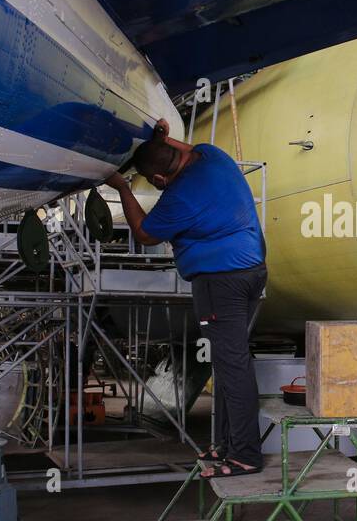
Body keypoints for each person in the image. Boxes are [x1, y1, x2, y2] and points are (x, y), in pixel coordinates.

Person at [106, 119, 267, 478]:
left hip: (220, 282)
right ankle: (227, 443)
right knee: (228, 363)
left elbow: (145, 234)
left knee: (233, 365)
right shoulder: (214, 157)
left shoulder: (178, 198)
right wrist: (159, 137)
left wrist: (122, 188)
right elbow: (184, 149)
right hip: (252, 272)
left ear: (160, 181)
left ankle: (245, 454)